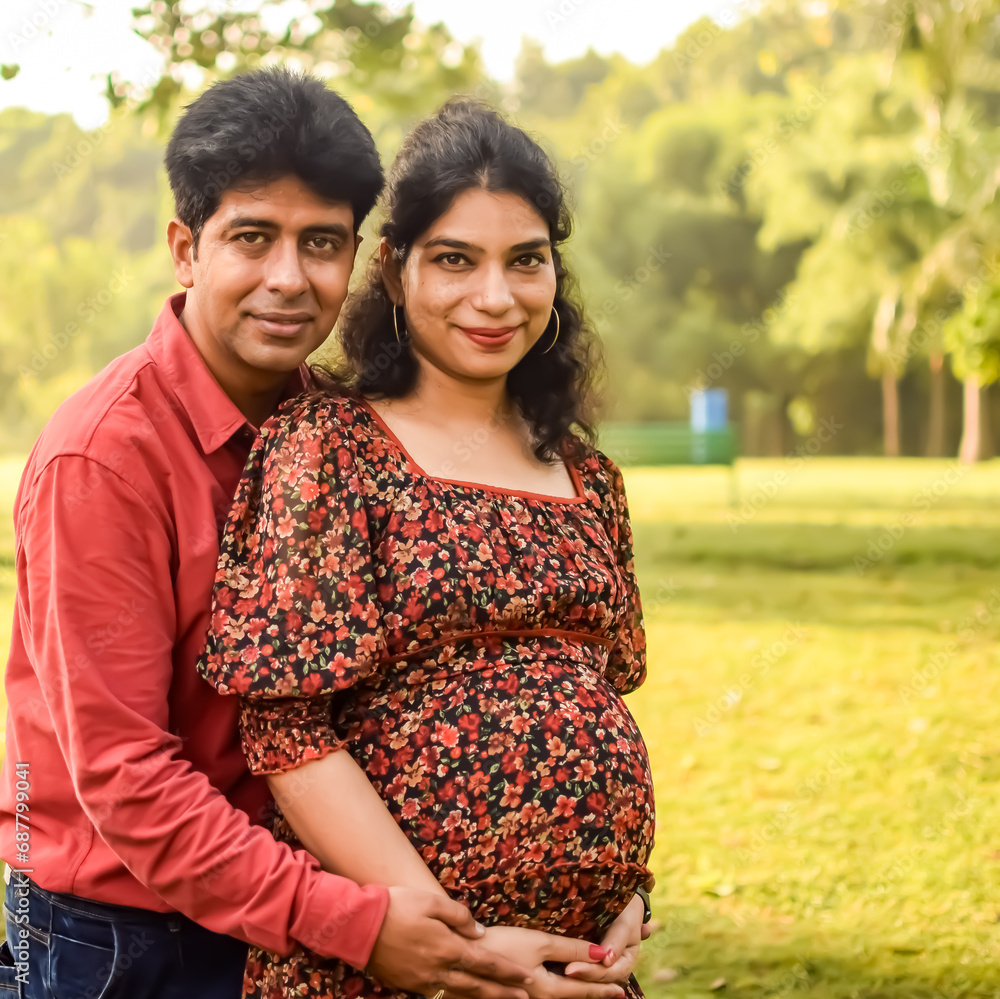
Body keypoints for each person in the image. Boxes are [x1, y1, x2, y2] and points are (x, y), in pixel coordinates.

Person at [0, 70, 568, 999]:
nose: (289, 279)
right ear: (186, 248)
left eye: (322, 244)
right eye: (252, 239)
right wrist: (360, 925)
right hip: (123, 937)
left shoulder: (337, 437)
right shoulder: (103, 459)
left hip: (294, 909)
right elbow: (127, 780)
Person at [199, 99, 655, 999]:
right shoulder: (331, 449)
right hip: (397, 965)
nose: (496, 297)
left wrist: (626, 889)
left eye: (526, 261)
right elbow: (286, 731)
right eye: (456, 260)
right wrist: (462, 946)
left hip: (575, 970)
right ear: (395, 270)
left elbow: (595, 700)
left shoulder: (586, 475)